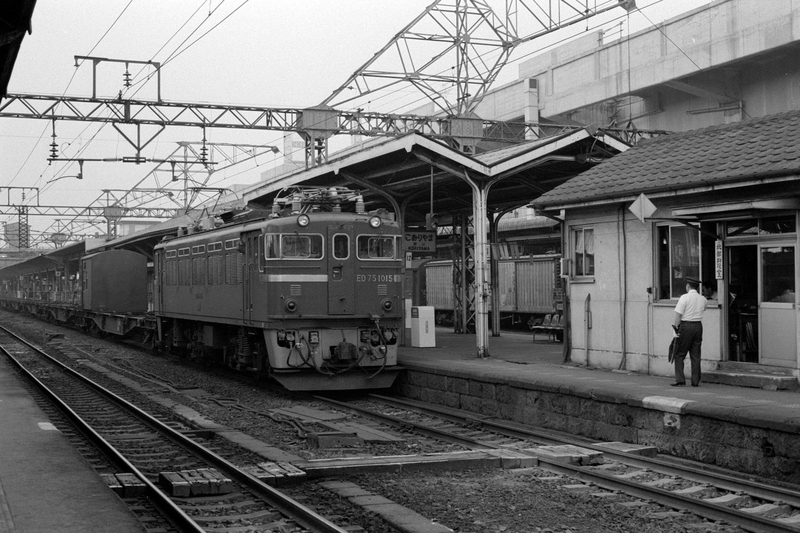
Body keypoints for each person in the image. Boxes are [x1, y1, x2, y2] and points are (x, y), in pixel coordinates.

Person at [672, 277, 707, 387]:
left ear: (688, 286)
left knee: (679, 353)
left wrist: (675, 329)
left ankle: (680, 380)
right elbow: (704, 309)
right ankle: (695, 381)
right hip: (698, 326)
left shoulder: (684, 297)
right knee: (696, 355)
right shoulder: (703, 299)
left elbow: (678, 315)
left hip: (686, 326)